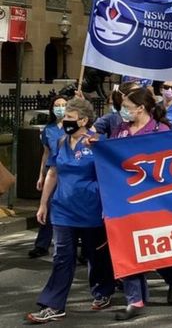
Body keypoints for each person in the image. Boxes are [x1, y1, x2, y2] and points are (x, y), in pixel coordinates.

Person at [26, 99, 115, 323]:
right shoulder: (61, 141)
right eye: (64, 117)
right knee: (62, 258)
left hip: (92, 211)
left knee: (97, 256)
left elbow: (109, 177)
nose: (65, 121)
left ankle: (103, 290)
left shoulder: (97, 143)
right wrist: (43, 203)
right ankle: (54, 305)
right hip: (63, 211)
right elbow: (53, 173)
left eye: (69, 118)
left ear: (83, 121)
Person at [110, 88, 172, 321]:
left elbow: (170, 164)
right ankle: (134, 299)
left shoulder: (160, 130)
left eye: (126, 106)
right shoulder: (121, 130)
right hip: (124, 199)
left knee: (152, 247)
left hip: (153, 199)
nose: (123, 110)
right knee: (129, 248)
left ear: (140, 108)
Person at [29, 95, 68, 259]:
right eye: (57, 105)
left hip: (70, 173)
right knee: (47, 206)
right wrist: (41, 175)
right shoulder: (49, 130)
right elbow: (46, 154)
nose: (61, 108)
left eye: (64, 105)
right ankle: (42, 244)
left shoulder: (73, 127)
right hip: (53, 173)